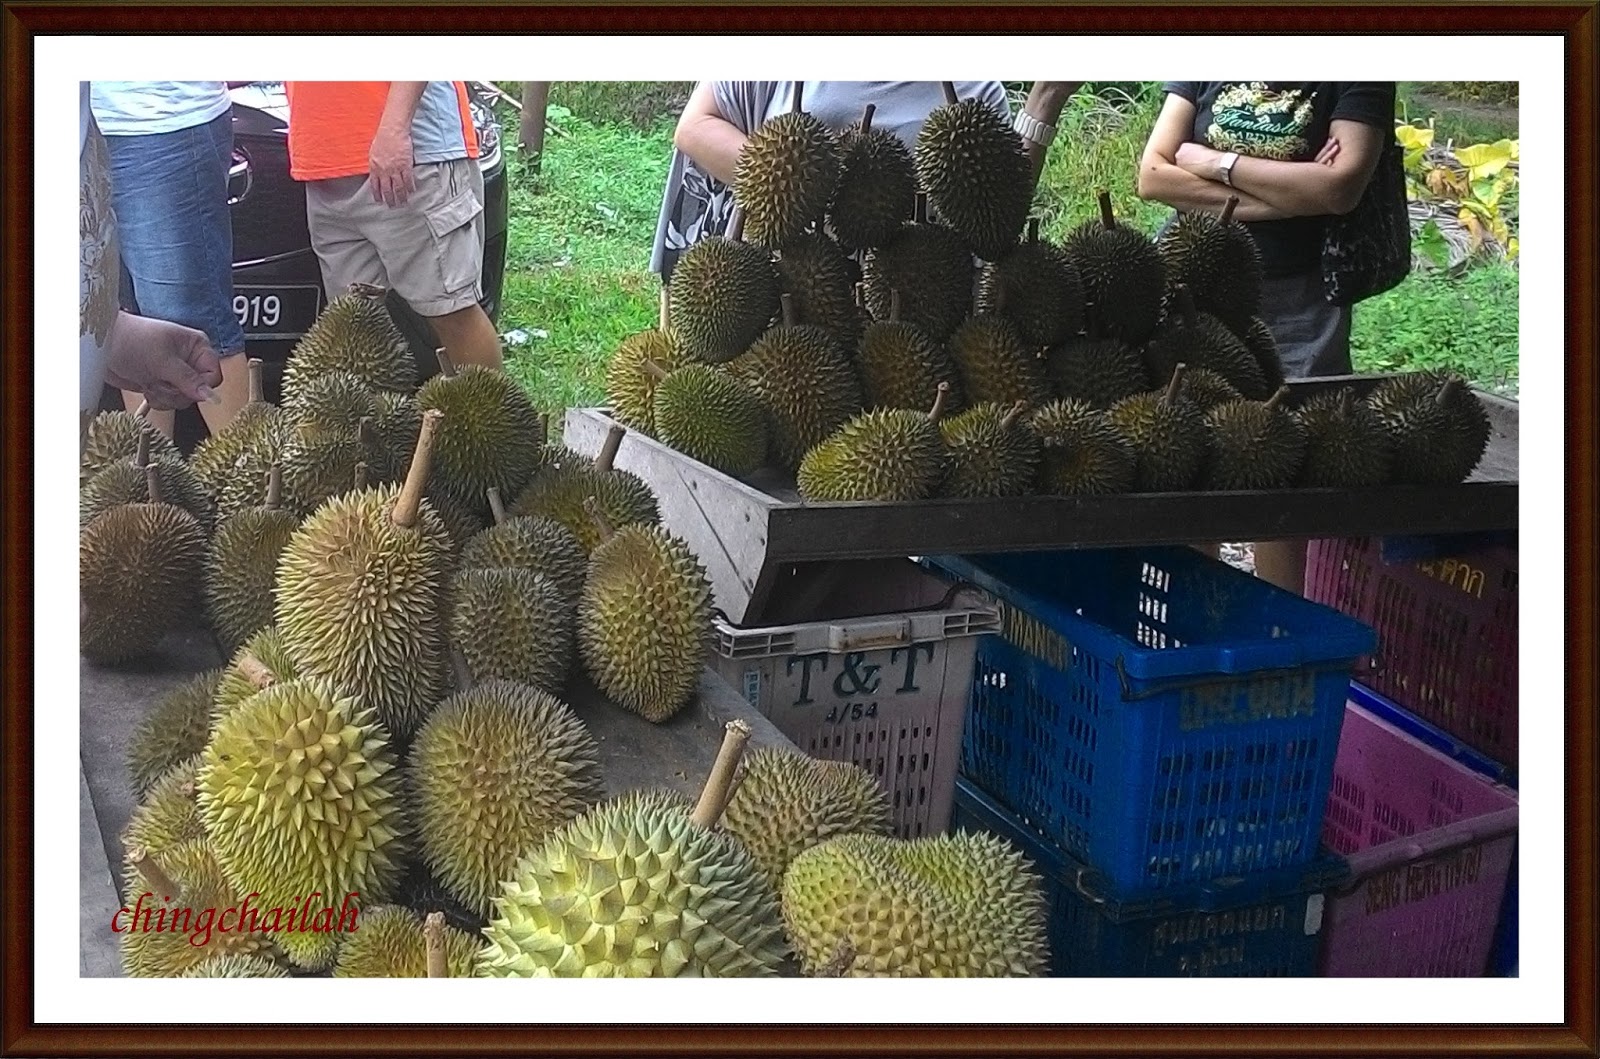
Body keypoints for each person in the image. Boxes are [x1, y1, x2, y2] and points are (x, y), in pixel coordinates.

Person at [1136, 81, 1396, 592]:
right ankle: (1196, 611)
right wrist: (1295, 194)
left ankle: (1279, 617)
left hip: (1302, 299)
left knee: (1289, 463)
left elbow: (1340, 189)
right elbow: (1153, 175)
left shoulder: (1355, 71)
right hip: (1197, 287)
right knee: (1189, 449)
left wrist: (1214, 163)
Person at [651, 80, 1081, 280]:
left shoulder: (976, 90)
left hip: (911, 297)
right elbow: (695, 126)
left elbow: (995, 220)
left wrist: (1047, 98)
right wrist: (809, 194)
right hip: (779, 285)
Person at [282, 81, 502, 370]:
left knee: (451, 312)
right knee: (355, 327)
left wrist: (395, 129)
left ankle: (490, 402)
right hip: (325, 164)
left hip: (409, 158)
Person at [89, 81, 249, 437]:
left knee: (196, 330)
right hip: (84, 125)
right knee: (118, 319)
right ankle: (146, 471)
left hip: (159, 120)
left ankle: (251, 471)